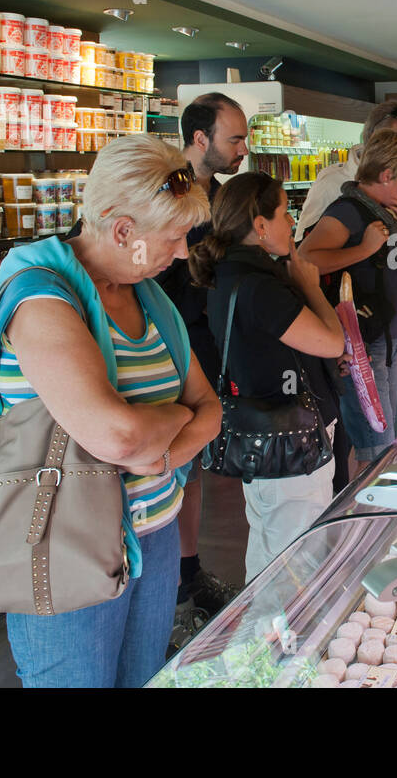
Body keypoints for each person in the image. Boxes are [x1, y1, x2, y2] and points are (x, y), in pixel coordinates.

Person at [0, 134, 221, 687]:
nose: (182, 252)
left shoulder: (149, 296)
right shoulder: (41, 297)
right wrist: (172, 422)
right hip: (64, 550)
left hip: (153, 533)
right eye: (173, 237)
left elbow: (210, 408)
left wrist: (162, 449)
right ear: (123, 230)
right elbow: (121, 437)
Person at [189, 172, 345, 582]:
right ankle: (282, 644)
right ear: (260, 226)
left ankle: (258, 641)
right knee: (295, 568)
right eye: (284, 213)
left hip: (265, 440)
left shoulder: (229, 274)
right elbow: (332, 342)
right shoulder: (261, 286)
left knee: (269, 555)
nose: (292, 222)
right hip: (291, 445)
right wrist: (310, 286)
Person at [296, 102, 397, 438]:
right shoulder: (349, 207)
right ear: (386, 173)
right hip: (364, 336)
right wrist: (363, 249)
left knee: (390, 429)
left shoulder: (387, 207)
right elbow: (305, 258)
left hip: (392, 333)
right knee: (375, 438)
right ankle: (365, 490)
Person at [153, 92, 248, 617]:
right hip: (165, 347)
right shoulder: (166, 189)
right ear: (199, 139)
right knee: (166, 466)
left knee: (193, 466)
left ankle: (186, 571)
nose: (243, 149)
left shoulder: (225, 195)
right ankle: (166, 580)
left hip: (205, 348)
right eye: (234, 138)